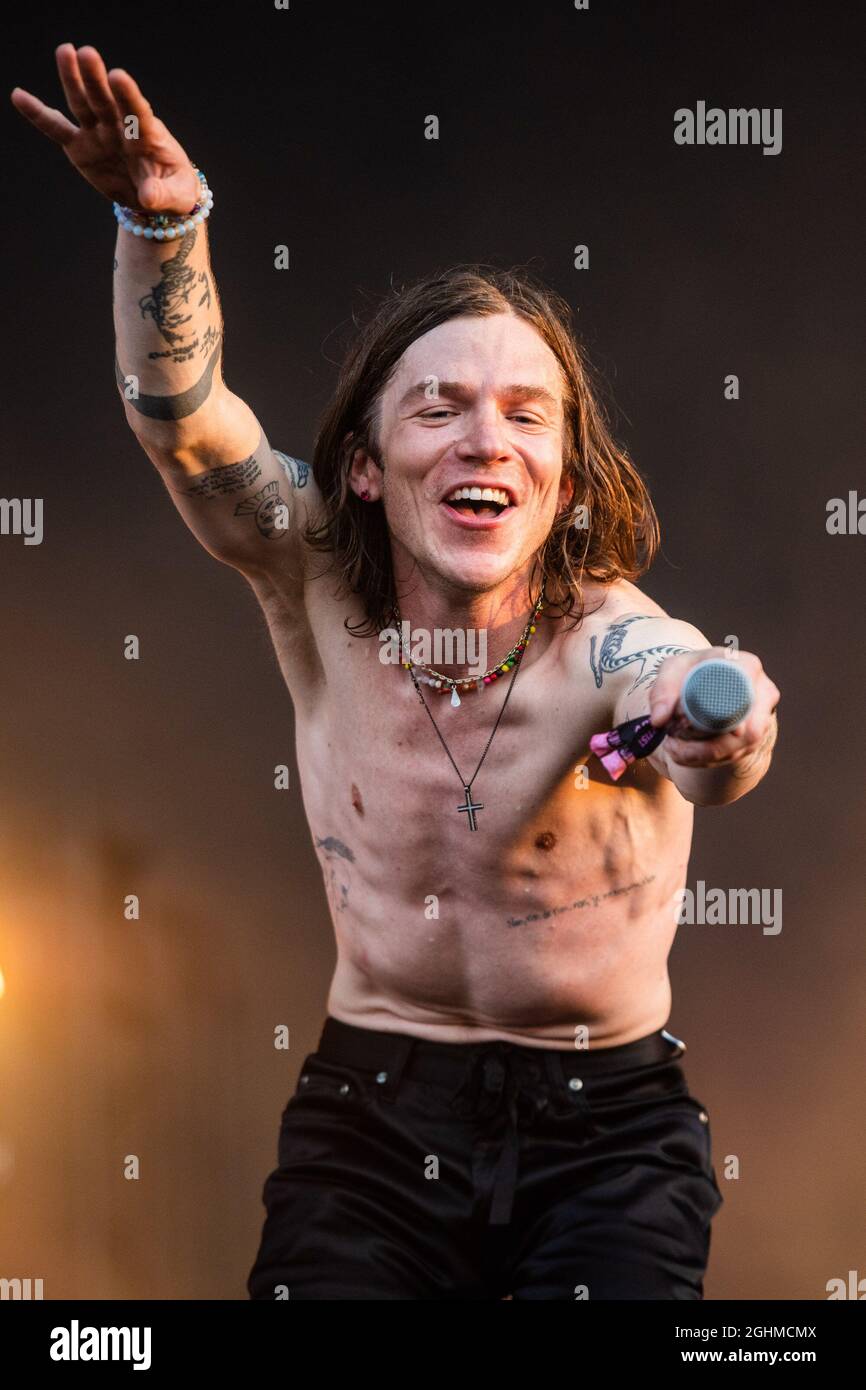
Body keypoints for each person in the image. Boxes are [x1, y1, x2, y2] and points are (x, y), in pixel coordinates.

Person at [12, 44, 781, 1301]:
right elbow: (190, 432)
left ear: (566, 481)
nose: (486, 437)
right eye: (439, 408)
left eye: (527, 415)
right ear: (365, 463)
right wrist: (164, 229)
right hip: (371, 1115)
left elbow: (687, 694)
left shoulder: (607, 631)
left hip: (611, 1135)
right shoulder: (311, 571)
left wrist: (717, 719)